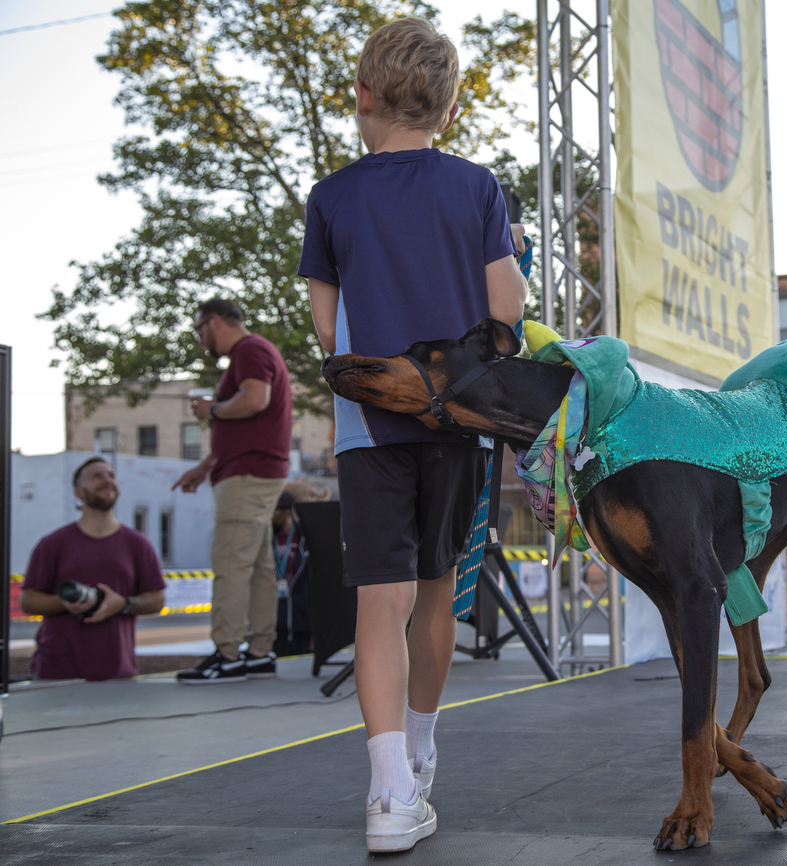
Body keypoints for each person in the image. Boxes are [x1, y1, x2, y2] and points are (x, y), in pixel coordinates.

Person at [298, 17, 528, 854]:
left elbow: (331, 335)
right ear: (448, 105)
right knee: (438, 588)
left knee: (379, 600)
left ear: (362, 95)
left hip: (370, 426)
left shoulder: (332, 197)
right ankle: (422, 758)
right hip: (458, 421)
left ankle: (387, 790)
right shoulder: (477, 188)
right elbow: (507, 312)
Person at [172, 297, 293, 683]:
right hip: (255, 471)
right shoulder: (256, 351)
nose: (200, 338)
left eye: (199, 328)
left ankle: (227, 654)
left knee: (230, 563)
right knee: (257, 566)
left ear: (215, 321)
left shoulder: (249, 349)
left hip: (247, 475)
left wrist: (211, 410)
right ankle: (259, 653)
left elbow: (256, 399)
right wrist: (205, 466)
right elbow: (247, 424)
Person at [19, 456, 166, 681]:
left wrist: (123, 604)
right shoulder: (53, 543)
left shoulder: (138, 544)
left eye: (111, 476)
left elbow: (157, 600)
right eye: (96, 476)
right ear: (78, 492)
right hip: (56, 672)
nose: (106, 481)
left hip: (117, 673)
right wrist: (66, 602)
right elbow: (27, 601)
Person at [272, 490, 312, 657]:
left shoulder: (306, 539)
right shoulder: (266, 541)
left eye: (272, 512)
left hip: (304, 628)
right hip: (275, 630)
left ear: (286, 512)